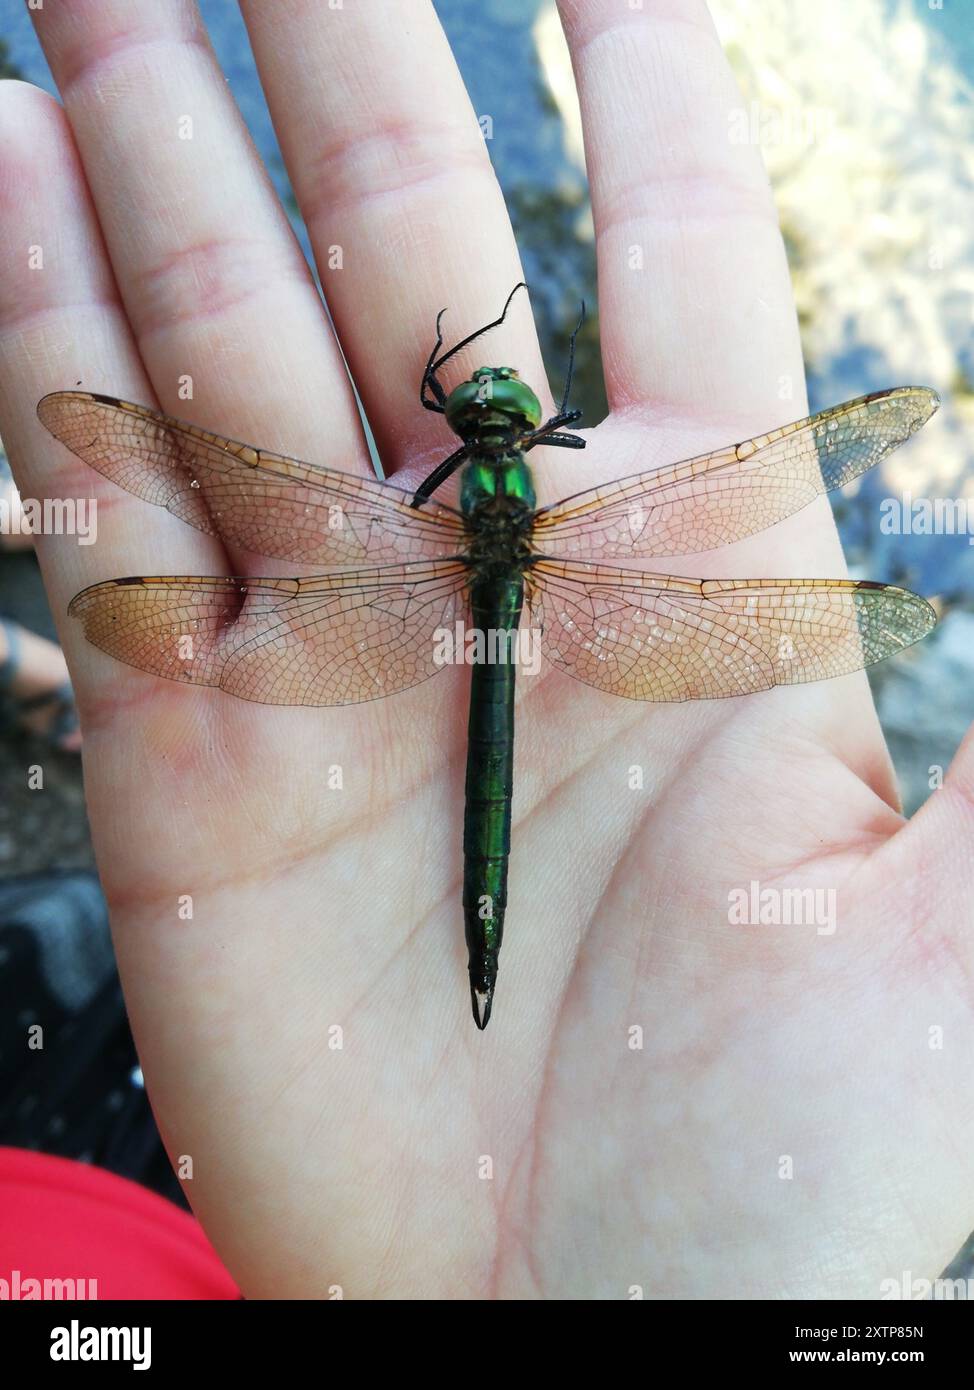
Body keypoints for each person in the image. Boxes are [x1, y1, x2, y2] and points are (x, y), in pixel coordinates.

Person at [0, 0, 969, 1299]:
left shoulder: (430, 492)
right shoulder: (544, 491)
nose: (488, 408)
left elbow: (401, 454)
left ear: (463, 443)